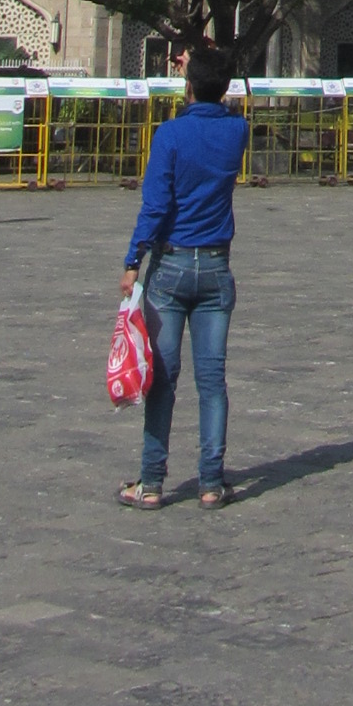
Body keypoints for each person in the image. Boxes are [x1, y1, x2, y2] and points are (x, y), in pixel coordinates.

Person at [116, 42, 250, 511]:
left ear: (188, 87)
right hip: (215, 267)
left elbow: (155, 207)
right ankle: (211, 482)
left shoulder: (169, 135)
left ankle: (151, 481)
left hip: (170, 267)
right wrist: (203, 72)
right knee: (212, 381)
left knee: (164, 378)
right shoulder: (237, 132)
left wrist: (133, 261)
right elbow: (222, 109)